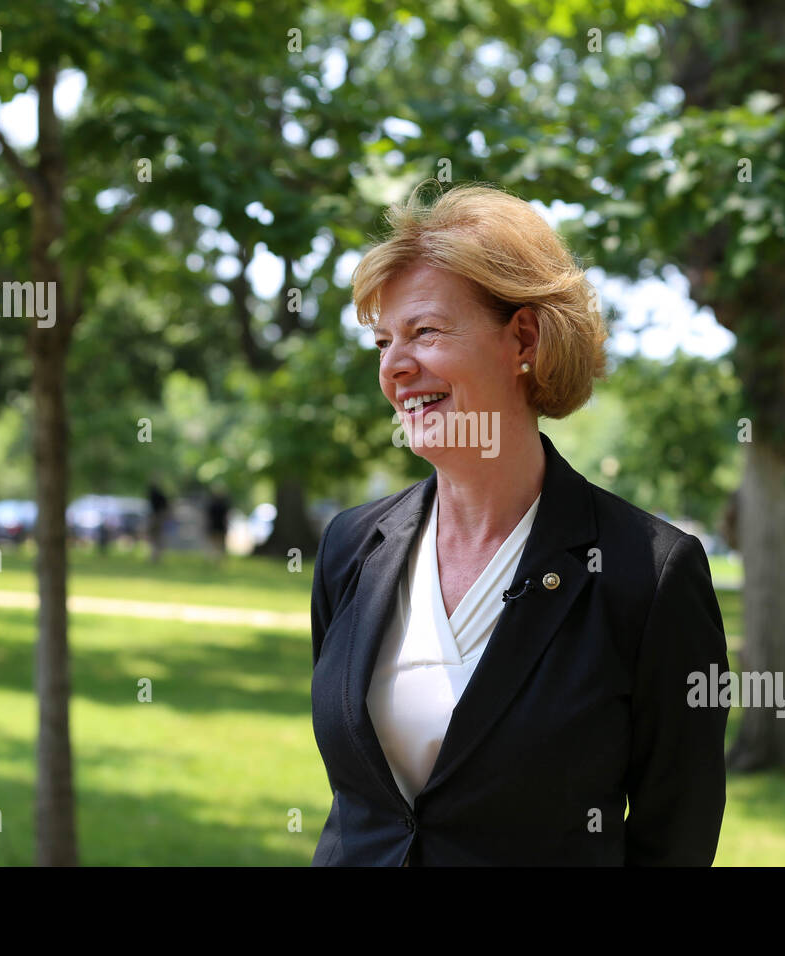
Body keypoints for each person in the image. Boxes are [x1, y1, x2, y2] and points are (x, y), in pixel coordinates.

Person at [309, 180, 731, 866]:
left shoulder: (648, 575)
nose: (394, 366)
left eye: (424, 332)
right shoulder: (351, 548)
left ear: (523, 337)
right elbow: (360, 806)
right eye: (383, 341)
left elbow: (674, 839)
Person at [205, 483, 230, 565]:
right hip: (218, 526)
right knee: (218, 545)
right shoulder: (222, 504)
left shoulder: (214, 504)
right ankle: (217, 561)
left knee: (216, 545)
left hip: (217, 526)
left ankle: (216, 560)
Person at [147, 479, 169, 563]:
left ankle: (155, 556)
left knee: (156, 538)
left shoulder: (155, 494)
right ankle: (155, 556)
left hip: (156, 517)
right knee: (157, 538)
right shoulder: (160, 494)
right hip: (158, 517)